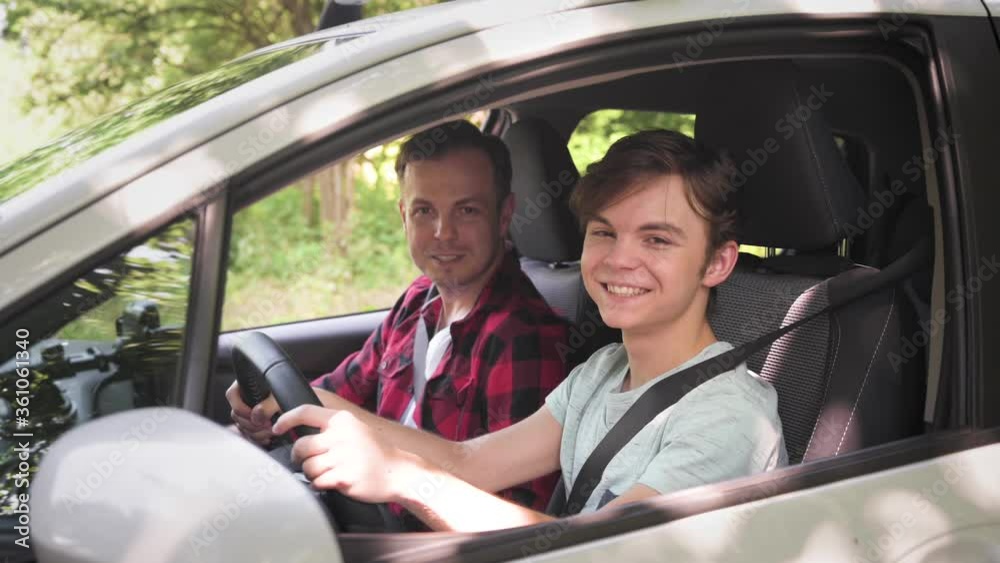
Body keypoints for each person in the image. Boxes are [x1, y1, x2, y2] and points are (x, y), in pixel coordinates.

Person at [272, 128, 789, 532]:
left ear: (718, 263)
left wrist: (405, 480)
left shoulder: (728, 419)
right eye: (604, 232)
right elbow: (469, 461)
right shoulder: (603, 372)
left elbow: (597, 554)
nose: (618, 259)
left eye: (656, 240)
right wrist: (334, 420)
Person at [227, 120, 570, 523]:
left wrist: (334, 415)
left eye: (467, 210)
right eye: (425, 211)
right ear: (403, 215)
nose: (444, 232)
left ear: (504, 214)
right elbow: (340, 388)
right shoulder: (417, 302)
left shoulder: (523, 335)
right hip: (355, 506)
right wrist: (268, 413)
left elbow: (516, 522)